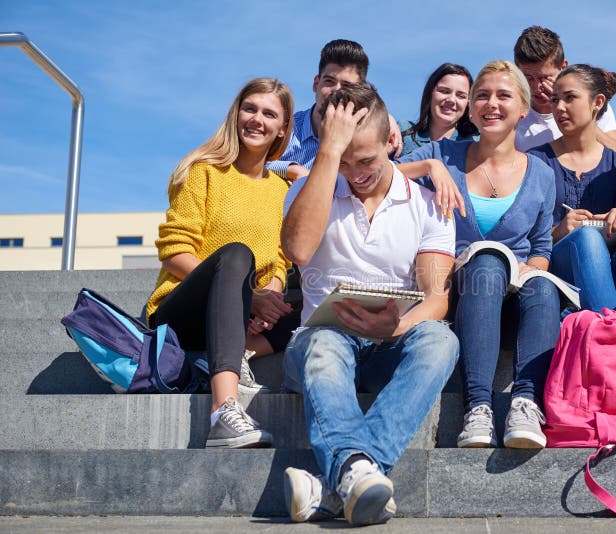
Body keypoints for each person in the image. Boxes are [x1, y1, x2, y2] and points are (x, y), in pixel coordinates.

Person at [280, 83, 458, 526]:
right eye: (343, 161)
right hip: (322, 342)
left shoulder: (429, 203)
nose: (354, 173)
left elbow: (436, 298)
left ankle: (344, 476)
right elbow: (298, 250)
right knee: (323, 343)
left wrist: (394, 329)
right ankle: (357, 472)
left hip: (387, 343)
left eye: (366, 161)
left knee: (441, 341)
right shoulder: (313, 187)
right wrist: (329, 153)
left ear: (391, 144)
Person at [399, 60, 561, 449]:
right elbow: (372, 177)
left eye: (503, 95)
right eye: (482, 96)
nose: (491, 104)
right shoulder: (444, 153)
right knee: (486, 263)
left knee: (543, 286)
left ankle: (525, 402)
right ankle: (479, 408)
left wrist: (529, 269)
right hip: (458, 288)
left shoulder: (541, 173)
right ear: (471, 109)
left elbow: (541, 247)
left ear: (523, 108)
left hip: (515, 296)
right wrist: (429, 164)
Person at [145, 78, 297, 448]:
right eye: (250, 109)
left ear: (282, 127)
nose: (257, 119)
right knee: (236, 254)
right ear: (236, 113)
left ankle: (241, 348)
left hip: (242, 313)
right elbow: (174, 249)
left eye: (269, 113)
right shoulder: (203, 171)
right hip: (181, 313)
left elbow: (280, 259)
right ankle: (223, 410)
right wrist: (251, 295)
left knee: (318, 284)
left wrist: (269, 297)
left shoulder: (282, 192)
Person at [530, 64, 616, 311]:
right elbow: (521, 235)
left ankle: (596, 312)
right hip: (558, 269)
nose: (559, 108)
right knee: (586, 237)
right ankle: (610, 329)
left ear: (598, 102)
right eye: (555, 100)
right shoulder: (534, 163)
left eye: (570, 98)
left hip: (614, 265)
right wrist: (558, 231)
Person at [267, 39, 402, 181]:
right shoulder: (288, 129)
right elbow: (253, 161)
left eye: (346, 85)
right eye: (329, 81)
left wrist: (384, 118)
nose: (336, 91)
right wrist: (291, 169)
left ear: (360, 90)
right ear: (316, 83)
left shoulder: (371, 134)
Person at [513, 25, 616, 157]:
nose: (536, 87)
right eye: (528, 78)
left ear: (563, 67)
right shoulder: (511, 112)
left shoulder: (590, 104)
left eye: (545, 78)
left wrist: (584, 121)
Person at [399, 63, 478, 157]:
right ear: (430, 92)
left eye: (461, 96)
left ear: (468, 103)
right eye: (444, 91)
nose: (451, 100)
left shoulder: (476, 143)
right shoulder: (402, 132)